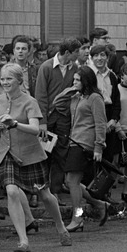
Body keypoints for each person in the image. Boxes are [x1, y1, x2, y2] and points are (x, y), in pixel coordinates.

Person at [0, 63, 71, 252]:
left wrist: (15, 123)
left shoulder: (30, 101)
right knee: (11, 191)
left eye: (9, 78)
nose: (5, 82)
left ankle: (60, 226)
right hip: (6, 152)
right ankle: (23, 241)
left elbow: (36, 129)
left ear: (19, 81)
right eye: (2, 79)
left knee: (45, 195)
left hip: (31, 155)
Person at [60, 65, 110, 232]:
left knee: (72, 182)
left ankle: (78, 217)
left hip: (85, 144)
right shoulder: (77, 97)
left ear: (86, 81)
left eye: (77, 80)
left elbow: (100, 123)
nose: (74, 82)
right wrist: (69, 91)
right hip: (74, 141)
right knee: (69, 182)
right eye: (73, 79)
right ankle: (99, 204)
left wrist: (99, 146)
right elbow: (57, 104)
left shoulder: (95, 98)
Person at [35, 37, 81, 196]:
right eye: (76, 52)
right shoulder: (46, 67)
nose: (79, 54)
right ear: (67, 52)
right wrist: (42, 122)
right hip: (47, 118)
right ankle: (39, 192)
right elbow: (40, 95)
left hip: (64, 118)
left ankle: (55, 191)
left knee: (61, 154)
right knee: (43, 154)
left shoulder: (75, 68)